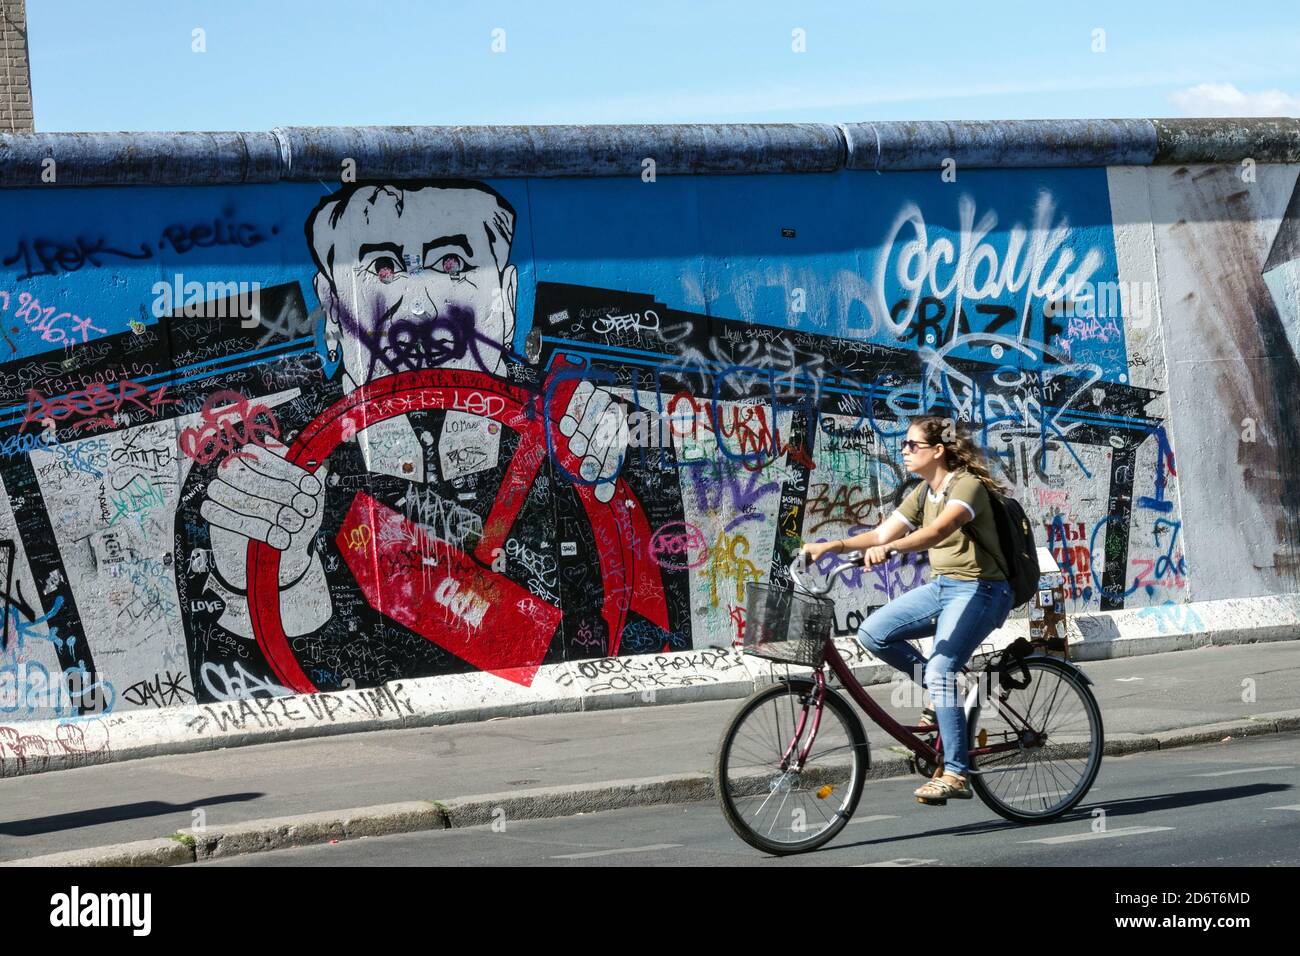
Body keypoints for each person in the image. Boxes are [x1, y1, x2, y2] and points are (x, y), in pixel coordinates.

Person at [801, 415, 1014, 805]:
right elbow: (882, 533)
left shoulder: (967, 486)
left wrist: (892, 550)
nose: (904, 451)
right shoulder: (923, 492)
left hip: (983, 590)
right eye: (904, 444)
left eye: (912, 445)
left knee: (940, 668)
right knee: (873, 633)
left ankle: (955, 772)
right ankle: (944, 691)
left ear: (937, 451)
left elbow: (936, 533)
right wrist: (832, 546)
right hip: (944, 587)